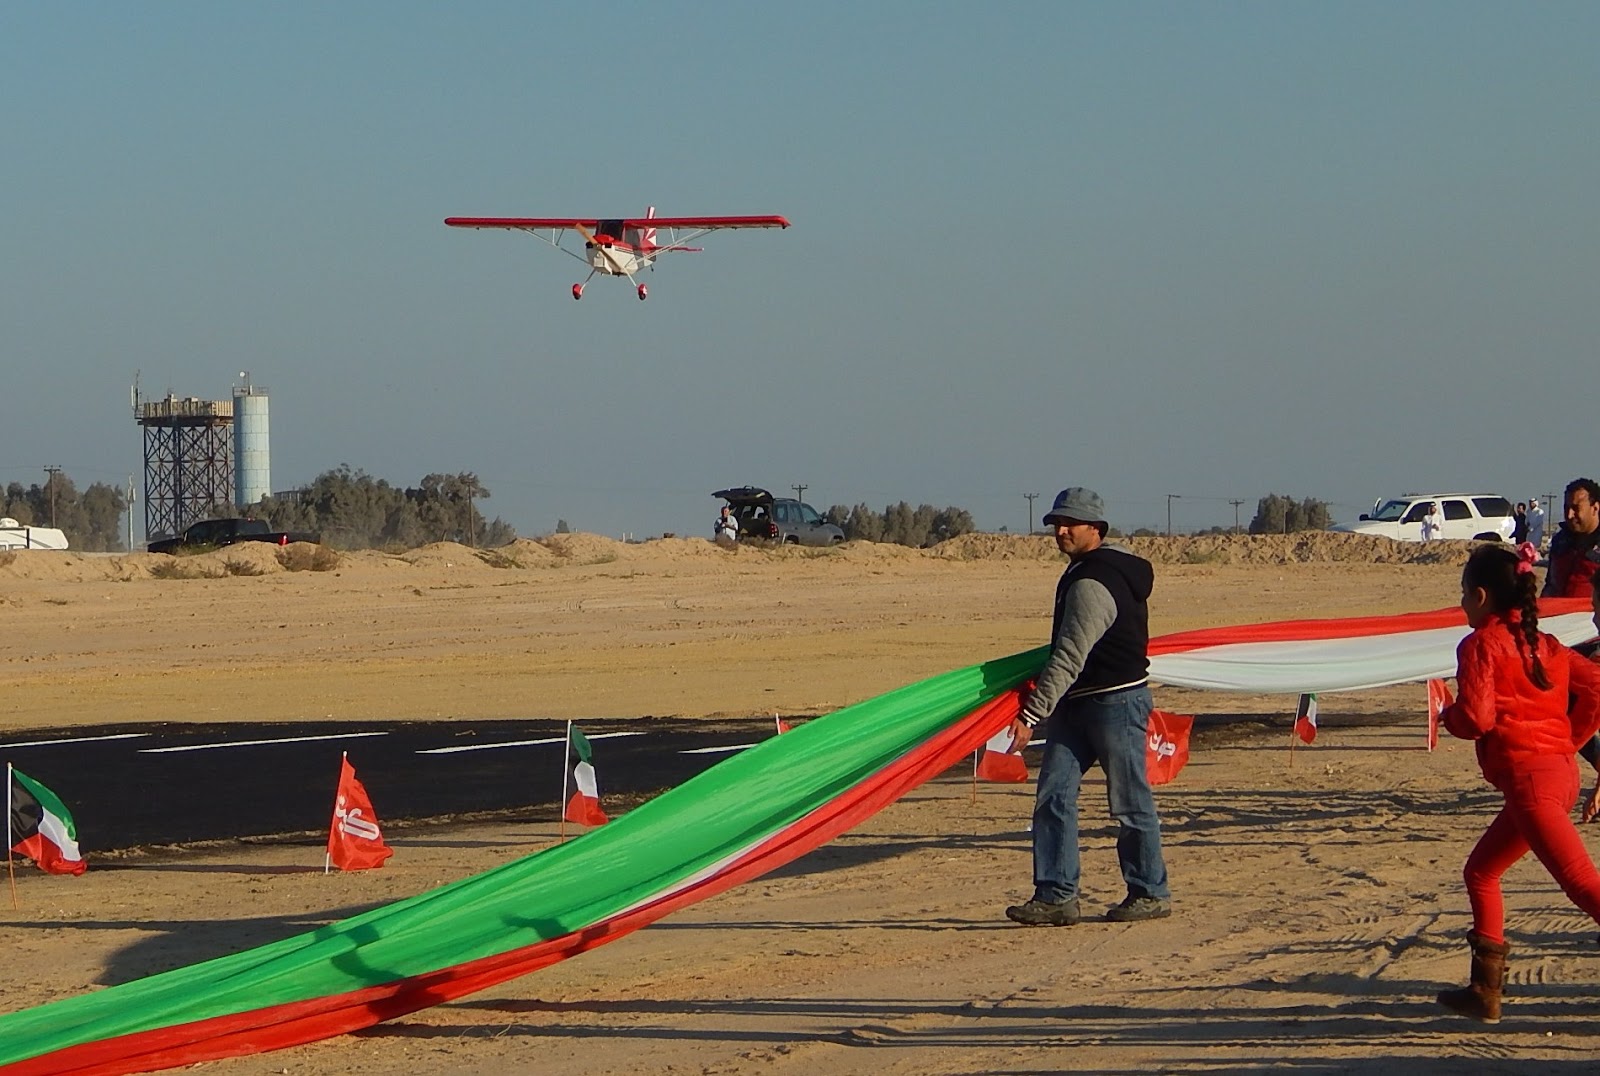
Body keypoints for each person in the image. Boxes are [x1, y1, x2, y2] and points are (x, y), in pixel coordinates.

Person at [1435, 542, 1600, 1022]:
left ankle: (1486, 991)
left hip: (1531, 783)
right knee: (1481, 871)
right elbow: (1594, 691)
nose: (1462, 605)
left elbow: (1478, 716)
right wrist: (1569, 741)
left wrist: (1450, 716)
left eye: (1464, 595)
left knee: (1581, 883)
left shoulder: (1480, 644)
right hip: (1555, 775)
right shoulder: (1546, 645)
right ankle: (1484, 991)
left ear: (1481, 596)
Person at [1003, 487, 1169, 927]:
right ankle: (1057, 895)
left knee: (1130, 803)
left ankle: (1149, 891)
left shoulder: (1093, 582)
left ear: (1095, 529)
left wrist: (1030, 715)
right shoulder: (1088, 571)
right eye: (1056, 524)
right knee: (1053, 797)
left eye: (1069, 524)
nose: (1060, 531)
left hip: (1116, 703)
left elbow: (1068, 655)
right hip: (1079, 704)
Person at [1541, 478, 1600, 598]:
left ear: (1595, 508)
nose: (1569, 515)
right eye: (1566, 508)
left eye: (1576, 508)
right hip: (1557, 612)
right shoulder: (1560, 542)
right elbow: (1550, 584)